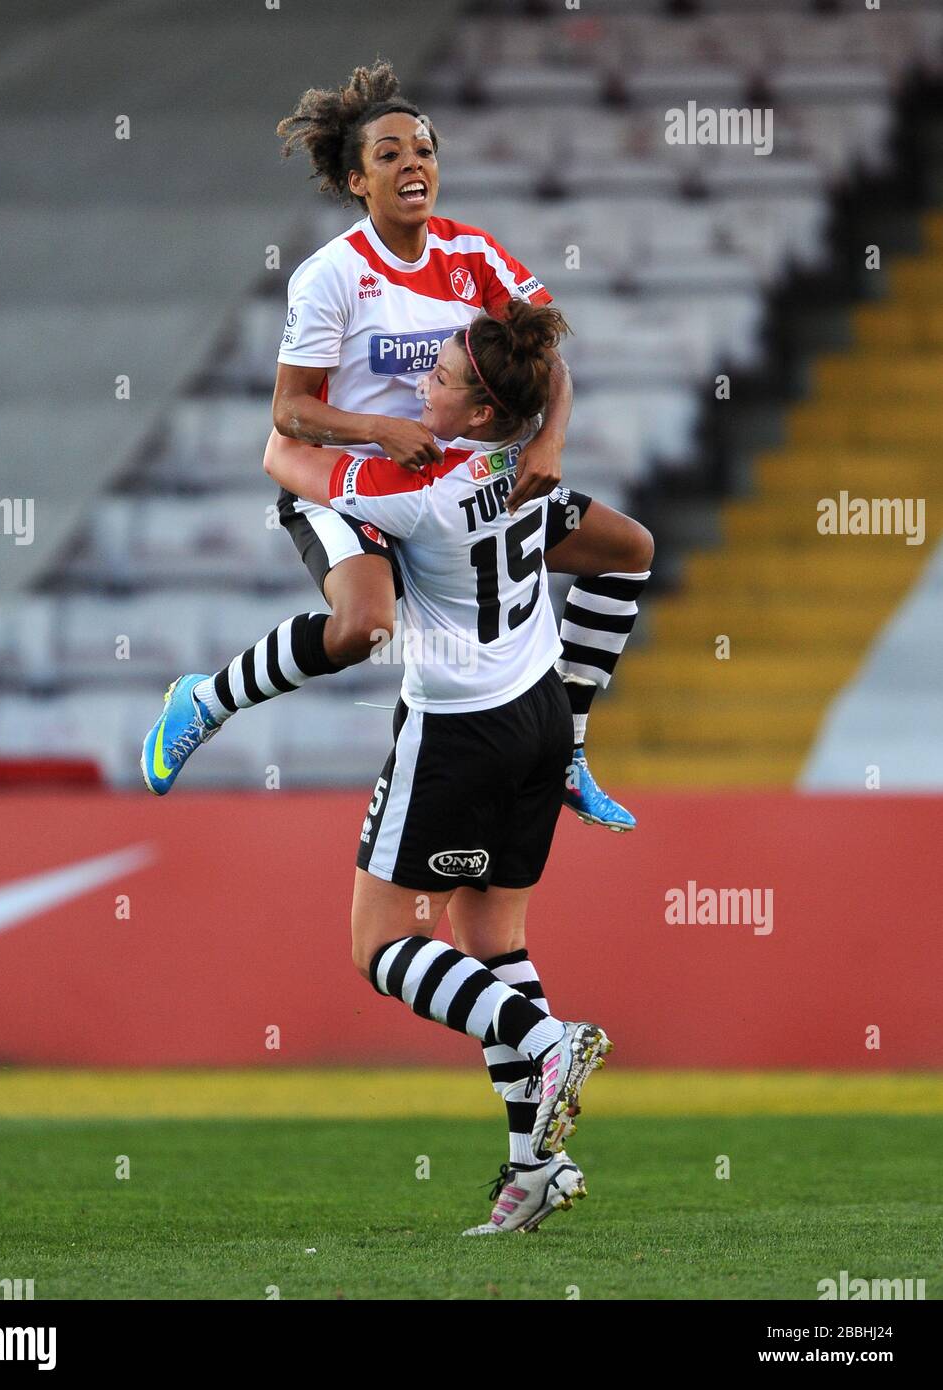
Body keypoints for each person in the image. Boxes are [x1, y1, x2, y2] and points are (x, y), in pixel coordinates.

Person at [141, 61, 652, 831]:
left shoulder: (473, 254)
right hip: (346, 479)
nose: (414, 162)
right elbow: (289, 413)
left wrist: (550, 440)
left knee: (629, 548)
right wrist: (379, 429)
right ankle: (204, 700)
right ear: (356, 180)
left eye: (424, 148)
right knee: (361, 629)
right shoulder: (329, 278)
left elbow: (551, 357)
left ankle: (569, 747)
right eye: (390, 153)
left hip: (450, 482)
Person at [263, 299, 614, 1235]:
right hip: (541, 715)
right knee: (494, 943)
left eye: (443, 377)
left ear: (483, 411)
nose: (422, 382)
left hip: (460, 729)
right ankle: (535, 1165)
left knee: (379, 949)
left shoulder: (417, 490)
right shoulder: (530, 471)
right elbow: (628, 550)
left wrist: (335, 422)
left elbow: (286, 458)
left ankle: (549, 1042)